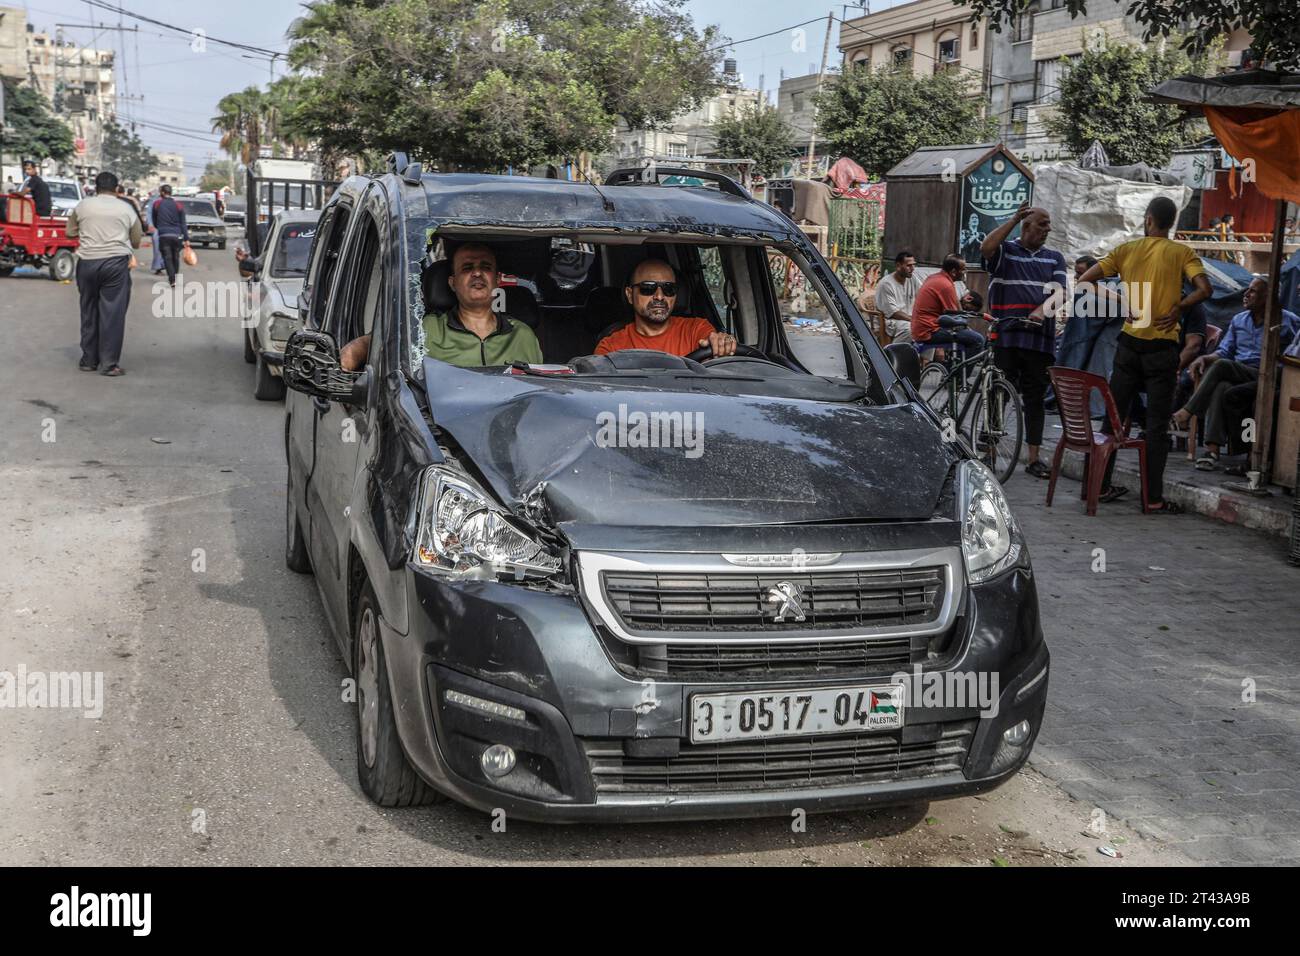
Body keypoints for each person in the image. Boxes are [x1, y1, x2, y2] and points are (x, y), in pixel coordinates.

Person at [1078, 196, 1213, 514]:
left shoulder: (1127, 250)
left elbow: (1084, 281)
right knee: (1156, 428)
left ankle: (1096, 486)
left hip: (1127, 347)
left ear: (1149, 219)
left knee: (1113, 421)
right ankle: (1152, 499)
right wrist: (1179, 307)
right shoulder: (1182, 252)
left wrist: (1123, 303)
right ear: (1171, 222)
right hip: (1162, 351)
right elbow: (1205, 289)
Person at [340, 242, 541, 370]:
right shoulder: (425, 330)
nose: (477, 273)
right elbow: (373, 346)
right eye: (467, 268)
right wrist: (351, 359)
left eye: (485, 267)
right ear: (452, 283)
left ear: (497, 280)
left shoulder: (523, 335)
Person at [979, 202, 1069, 479]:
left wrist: (1042, 311)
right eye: (1043, 224)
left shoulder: (1055, 258)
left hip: (1038, 339)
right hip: (1007, 335)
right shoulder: (1006, 251)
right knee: (997, 393)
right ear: (1026, 226)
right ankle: (991, 452)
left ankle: (1033, 457)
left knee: (1034, 398)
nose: (1048, 229)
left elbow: (1060, 293)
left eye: (1049, 224)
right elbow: (985, 248)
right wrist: (1013, 219)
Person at [1172, 277, 1300, 470]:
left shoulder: (1288, 321)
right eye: (1247, 290)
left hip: (1266, 375)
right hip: (1239, 372)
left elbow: (1293, 355)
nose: (1246, 295)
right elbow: (1224, 351)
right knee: (1221, 386)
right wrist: (1205, 359)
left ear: (1269, 297)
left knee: (1223, 367)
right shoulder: (1239, 320)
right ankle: (1212, 451)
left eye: (1253, 292)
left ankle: (1187, 413)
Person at [65, 170, 143, 377]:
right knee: (112, 313)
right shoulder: (126, 208)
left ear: (96, 187)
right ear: (117, 189)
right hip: (115, 264)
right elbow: (136, 239)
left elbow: (69, 231)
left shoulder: (83, 205)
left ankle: (89, 360)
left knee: (89, 310)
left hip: (87, 263)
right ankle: (109, 364)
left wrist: (88, 230)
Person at [594, 259, 737, 357]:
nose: (659, 296)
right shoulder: (610, 348)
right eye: (648, 288)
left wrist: (723, 343)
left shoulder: (696, 329)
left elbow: (714, 343)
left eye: (668, 289)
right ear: (630, 295)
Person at [911, 255, 984, 356]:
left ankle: (951, 368)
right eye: (963, 269)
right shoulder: (945, 285)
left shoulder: (935, 277)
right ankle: (958, 372)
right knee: (978, 340)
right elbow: (955, 318)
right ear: (954, 271)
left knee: (967, 335)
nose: (965, 272)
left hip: (922, 328)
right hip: (929, 331)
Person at [872, 250, 920, 344]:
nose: (913, 268)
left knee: (929, 327)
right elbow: (893, 312)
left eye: (913, 265)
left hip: (908, 319)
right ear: (898, 266)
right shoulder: (886, 284)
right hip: (892, 321)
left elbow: (923, 294)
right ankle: (893, 354)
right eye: (909, 265)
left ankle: (925, 359)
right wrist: (913, 319)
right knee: (912, 329)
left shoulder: (912, 279)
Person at [149, 185, 189, 287]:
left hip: (164, 235)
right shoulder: (178, 205)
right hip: (177, 235)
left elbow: (154, 219)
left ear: (162, 192)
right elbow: (183, 223)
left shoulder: (157, 204)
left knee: (167, 257)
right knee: (176, 256)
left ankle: (172, 280)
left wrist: (160, 228)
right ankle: (175, 276)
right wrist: (186, 238)